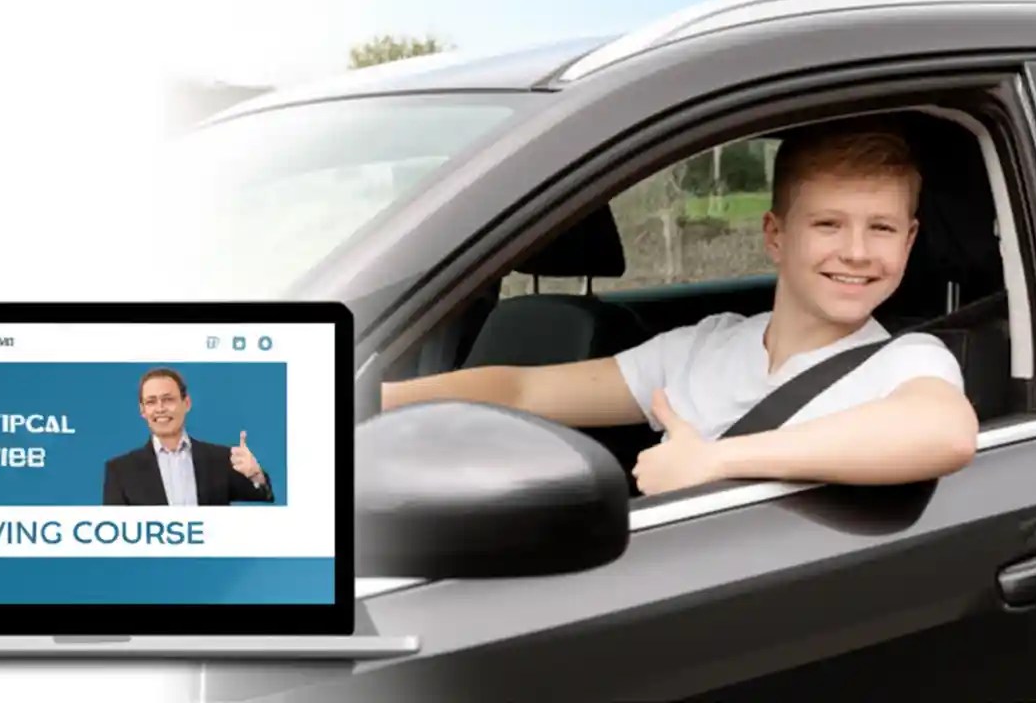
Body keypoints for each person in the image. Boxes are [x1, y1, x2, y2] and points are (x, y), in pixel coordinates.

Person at [381, 121, 980, 495]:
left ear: (908, 241)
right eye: (829, 224)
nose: (856, 251)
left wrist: (716, 462)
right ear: (775, 235)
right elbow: (520, 393)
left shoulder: (906, 360)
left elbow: (945, 433)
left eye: (881, 228)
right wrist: (360, 401)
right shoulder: (704, 345)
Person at [103, 367, 274, 505]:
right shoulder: (121, 471)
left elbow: (263, 495)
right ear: (143, 410)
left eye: (168, 399)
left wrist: (255, 475)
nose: (160, 408)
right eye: (151, 402)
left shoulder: (220, 459)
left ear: (186, 403)